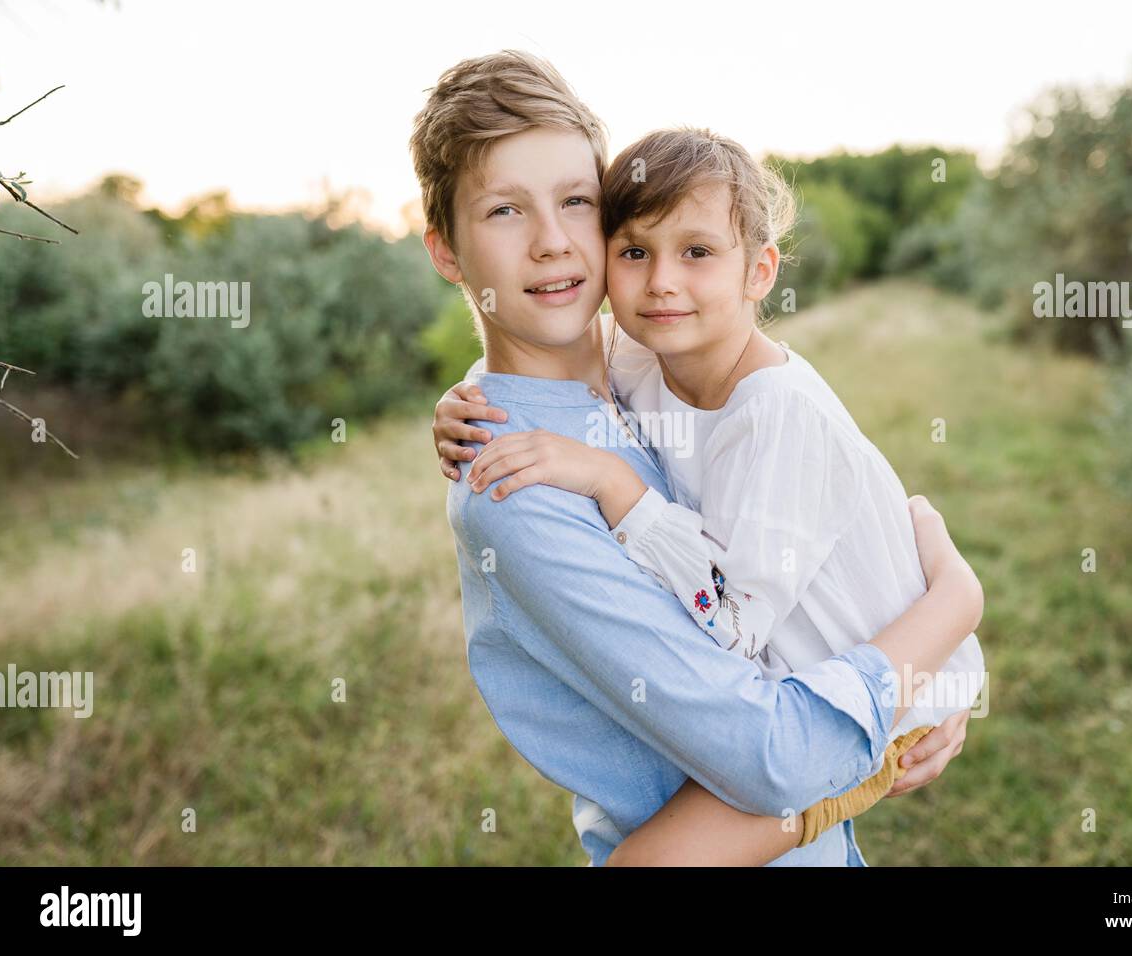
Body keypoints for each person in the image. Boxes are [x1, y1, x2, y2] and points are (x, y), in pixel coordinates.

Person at [413, 49, 981, 866]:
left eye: (575, 201)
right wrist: (951, 610)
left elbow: (842, 548)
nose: (550, 244)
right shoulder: (519, 488)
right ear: (446, 252)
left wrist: (943, 674)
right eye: (504, 212)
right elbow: (772, 758)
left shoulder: (641, 367)